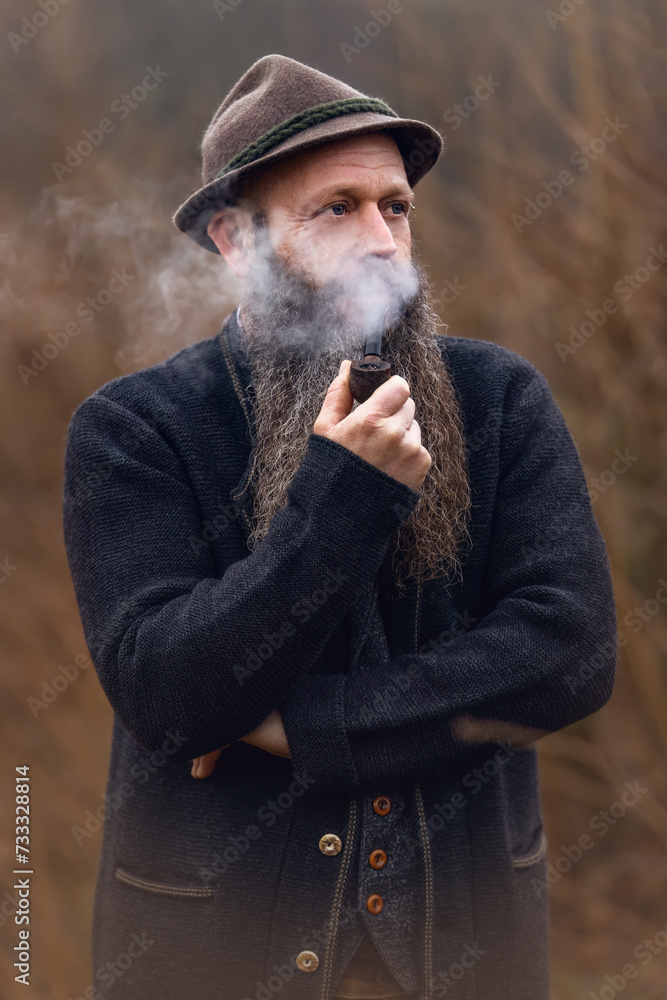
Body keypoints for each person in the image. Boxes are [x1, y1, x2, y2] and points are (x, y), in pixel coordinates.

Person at [62, 54, 617, 1000]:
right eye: (337, 208)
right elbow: (166, 692)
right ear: (236, 240)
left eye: (394, 206)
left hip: (465, 953)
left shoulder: (499, 400)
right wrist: (341, 499)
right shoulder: (134, 428)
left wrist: (306, 727)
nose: (383, 240)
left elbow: (565, 653)